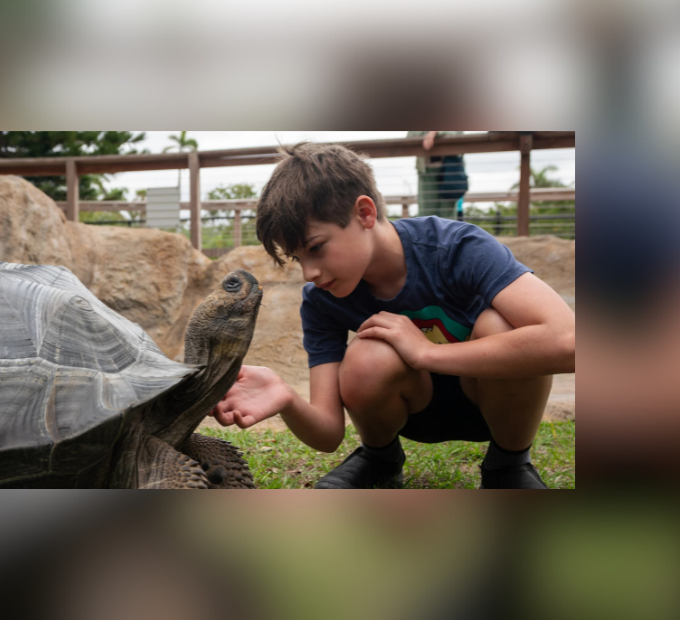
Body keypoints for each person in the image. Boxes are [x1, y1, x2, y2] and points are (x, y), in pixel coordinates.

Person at [209, 142, 575, 489]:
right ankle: (380, 458)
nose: (309, 273)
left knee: (500, 324)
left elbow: (568, 341)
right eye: (298, 258)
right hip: (414, 412)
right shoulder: (322, 300)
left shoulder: (457, 248)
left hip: (493, 403)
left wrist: (426, 353)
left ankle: (508, 464)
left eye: (316, 248)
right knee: (369, 352)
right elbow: (328, 433)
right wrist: (286, 397)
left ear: (364, 213)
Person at [407, 131, 469, 220]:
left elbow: (457, 134)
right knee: (426, 216)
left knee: (448, 218)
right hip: (426, 170)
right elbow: (410, 136)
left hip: (450, 170)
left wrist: (435, 132)